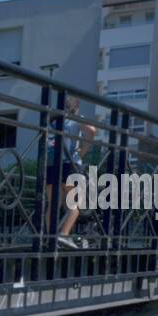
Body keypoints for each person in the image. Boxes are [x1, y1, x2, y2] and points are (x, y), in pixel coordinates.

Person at [45, 96, 96, 249]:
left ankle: (50, 239)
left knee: (53, 204)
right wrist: (83, 150)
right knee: (74, 204)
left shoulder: (52, 120)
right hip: (69, 163)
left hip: (51, 164)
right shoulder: (75, 118)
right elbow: (92, 130)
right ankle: (64, 236)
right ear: (76, 108)